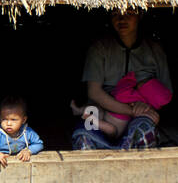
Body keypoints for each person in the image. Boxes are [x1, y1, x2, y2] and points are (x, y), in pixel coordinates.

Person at [71, 11, 171, 149]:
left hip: (140, 113)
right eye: (115, 14)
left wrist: (145, 107)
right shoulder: (100, 48)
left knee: (144, 135)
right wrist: (130, 110)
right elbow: (94, 92)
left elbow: (165, 95)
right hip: (103, 112)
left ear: (140, 14)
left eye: (129, 12)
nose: (122, 19)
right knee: (84, 138)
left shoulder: (154, 50)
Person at [0, 95, 44, 170]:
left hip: (21, 167)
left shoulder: (27, 132)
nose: (8, 123)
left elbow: (39, 144)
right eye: (4, 119)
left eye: (13, 119)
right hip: (2, 166)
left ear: (23, 120)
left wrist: (29, 151)